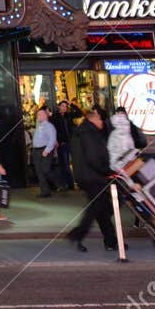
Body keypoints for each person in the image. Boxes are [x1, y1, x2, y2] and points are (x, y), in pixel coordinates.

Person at [68, 108, 118, 254]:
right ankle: (78, 234)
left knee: (100, 208)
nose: (102, 122)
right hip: (93, 176)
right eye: (100, 119)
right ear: (93, 119)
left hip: (87, 175)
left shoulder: (82, 131)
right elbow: (93, 157)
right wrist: (107, 170)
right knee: (96, 207)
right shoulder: (89, 133)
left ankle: (111, 241)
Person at [31, 107, 59, 197]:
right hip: (36, 151)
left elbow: (52, 139)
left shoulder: (49, 126)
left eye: (39, 115)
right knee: (39, 171)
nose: (37, 116)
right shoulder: (39, 125)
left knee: (45, 170)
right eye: (37, 115)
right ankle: (45, 191)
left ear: (44, 116)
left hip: (44, 150)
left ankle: (56, 183)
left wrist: (47, 150)